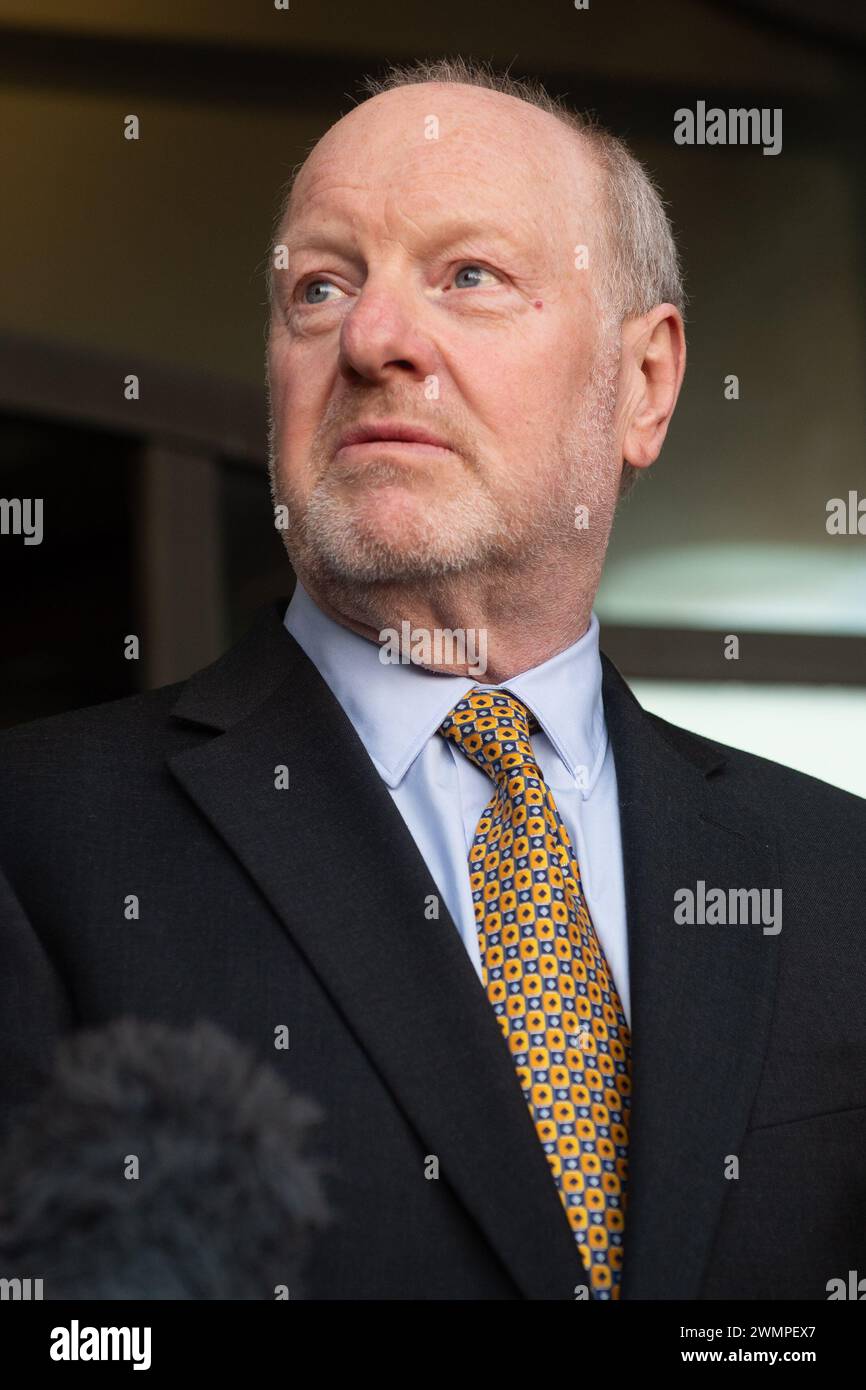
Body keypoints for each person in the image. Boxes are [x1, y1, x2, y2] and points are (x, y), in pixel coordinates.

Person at [1, 58, 864, 1301]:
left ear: (643, 383)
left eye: (469, 275)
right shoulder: (41, 843)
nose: (370, 337)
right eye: (318, 286)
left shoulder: (834, 881)